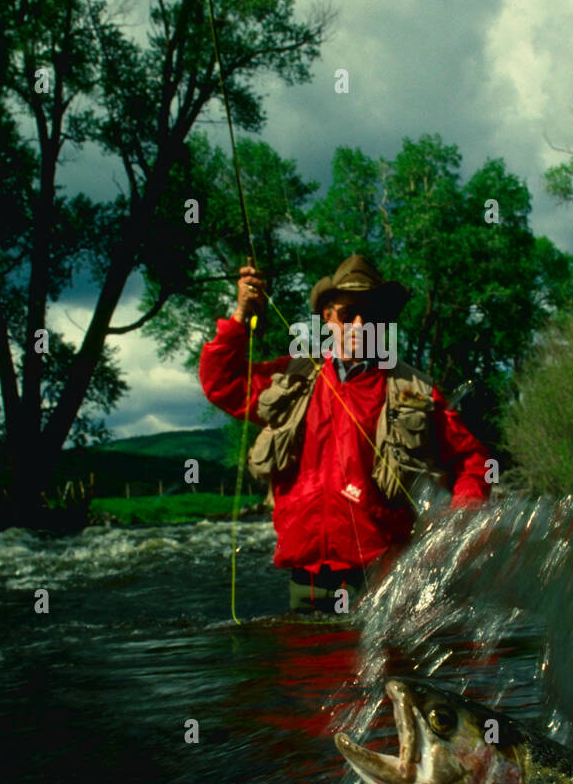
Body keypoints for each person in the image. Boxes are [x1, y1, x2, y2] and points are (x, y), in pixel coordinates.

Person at [199, 254, 490, 613]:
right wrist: (240, 315)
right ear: (327, 316)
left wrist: (460, 521)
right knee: (310, 666)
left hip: (383, 579)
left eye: (370, 315)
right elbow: (222, 384)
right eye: (347, 313)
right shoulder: (294, 378)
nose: (358, 324)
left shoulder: (414, 389)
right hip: (306, 576)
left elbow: (472, 460)